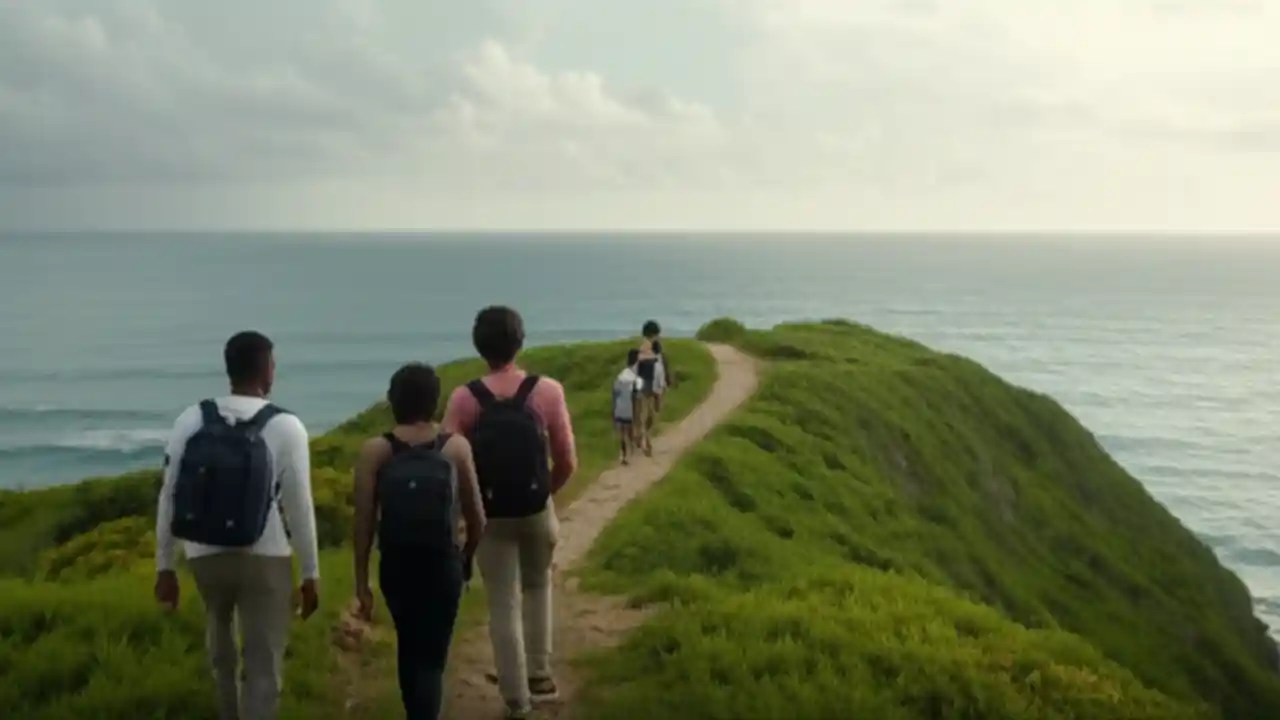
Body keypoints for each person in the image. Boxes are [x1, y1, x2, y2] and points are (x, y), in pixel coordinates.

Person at [154, 331, 320, 720]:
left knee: (221, 648)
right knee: (263, 662)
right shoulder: (286, 427)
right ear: (267, 371)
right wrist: (310, 572)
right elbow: (300, 506)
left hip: (203, 554)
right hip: (265, 557)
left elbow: (169, 494)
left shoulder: (191, 419)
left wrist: (165, 566)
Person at [442, 306, 577, 720]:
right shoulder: (547, 391)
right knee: (538, 586)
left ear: (479, 346)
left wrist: (468, 512)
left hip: (490, 514)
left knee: (502, 600)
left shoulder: (464, 398)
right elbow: (567, 461)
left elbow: (447, 462)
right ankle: (540, 676)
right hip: (537, 508)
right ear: (520, 341)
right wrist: (543, 496)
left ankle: (516, 700)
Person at [353, 363, 485, 720]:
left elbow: (363, 523)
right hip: (443, 565)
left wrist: (361, 581)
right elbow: (478, 519)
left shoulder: (375, 451)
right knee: (432, 658)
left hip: (397, 567)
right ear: (434, 401)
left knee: (409, 649)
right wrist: (466, 559)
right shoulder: (455, 448)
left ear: (393, 400)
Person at [634, 320, 674, 456]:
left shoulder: (658, 349)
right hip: (646, 386)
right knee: (645, 415)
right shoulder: (642, 350)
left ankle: (643, 437)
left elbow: (663, 366)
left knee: (650, 415)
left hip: (653, 386)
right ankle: (646, 441)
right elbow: (637, 371)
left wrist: (666, 382)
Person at [612, 349, 644, 465]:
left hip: (619, 407)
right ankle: (631, 454)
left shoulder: (620, 375)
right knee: (630, 432)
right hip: (630, 408)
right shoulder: (636, 378)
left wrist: (614, 408)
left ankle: (623, 455)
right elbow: (637, 396)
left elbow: (615, 393)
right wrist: (638, 413)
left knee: (622, 433)